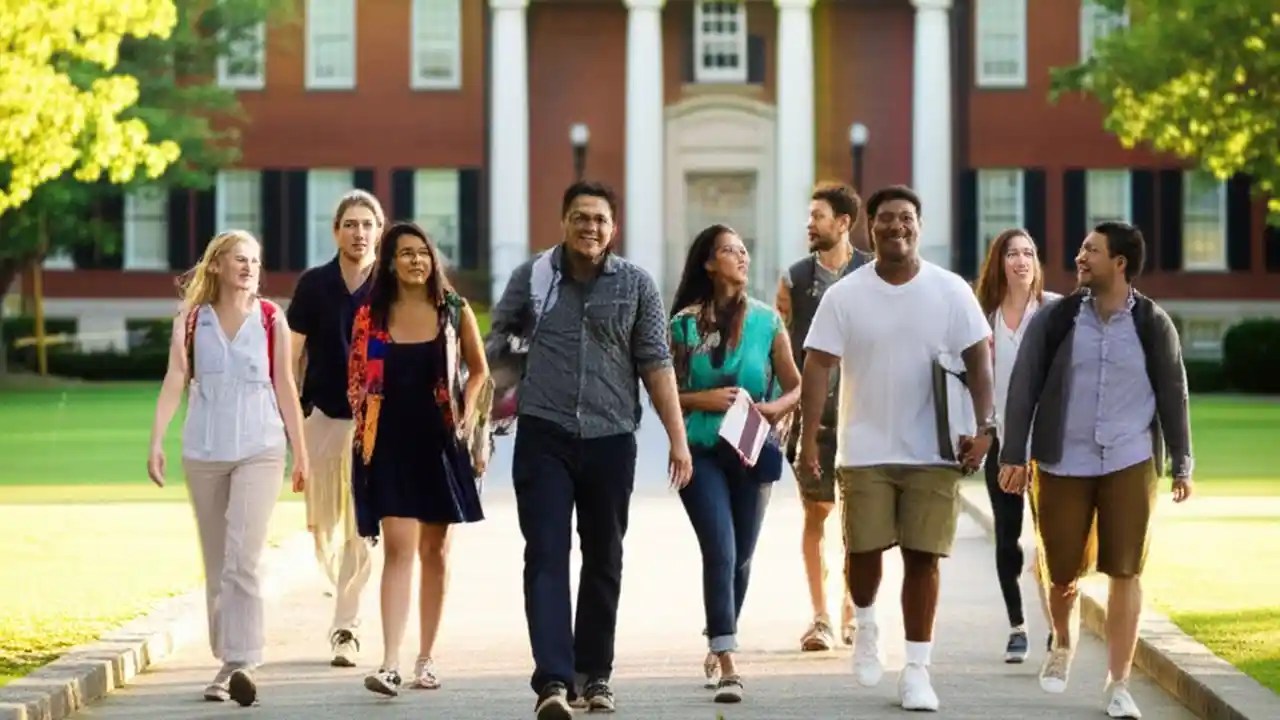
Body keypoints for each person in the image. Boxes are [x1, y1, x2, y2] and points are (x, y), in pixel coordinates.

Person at [488, 180, 693, 720]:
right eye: (580, 217)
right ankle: (553, 680)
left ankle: (594, 674)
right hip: (544, 434)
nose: (590, 228)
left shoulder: (636, 285)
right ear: (563, 221)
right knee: (547, 554)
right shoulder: (532, 278)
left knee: (604, 556)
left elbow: (655, 362)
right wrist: (480, 412)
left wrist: (677, 438)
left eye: (600, 219)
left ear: (613, 228)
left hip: (609, 438)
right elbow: (499, 350)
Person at [798, 185, 995, 712]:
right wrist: (807, 439)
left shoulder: (951, 290)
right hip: (863, 448)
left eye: (906, 218)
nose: (896, 227)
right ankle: (865, 625)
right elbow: (818, 364)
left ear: (919, 227)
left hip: (933, 448)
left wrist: (987, 427)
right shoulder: (845, 294)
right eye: (886, 219)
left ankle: (916, 670)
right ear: (870, 228)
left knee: (923, 559)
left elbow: (980, 359)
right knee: (862, 553)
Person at [998, 221, 1193, 719]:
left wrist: (1181, 461)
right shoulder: (1056, 320)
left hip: (1129, 458)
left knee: (1125, 568)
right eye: (1082, 248)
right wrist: (1013, 454)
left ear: (1120, 263)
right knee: (1060, 571)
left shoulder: (1153, 324)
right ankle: (1062, 641)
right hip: (1063, 459)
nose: (1080, 257)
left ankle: (1119, 683)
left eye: (1091, 250)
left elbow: (1173, 392)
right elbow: (1023, 388)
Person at [147, 230, 309, 706]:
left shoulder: (270, 318)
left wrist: (301, 452)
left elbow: (285, 385)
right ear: (216, 265)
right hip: (203, 451)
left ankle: (243, 660)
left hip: (260, 448)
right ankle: (227, 659)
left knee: (244, 557)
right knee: (218, 565)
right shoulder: (193, 319)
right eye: (240, 259)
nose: (249, 268)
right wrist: (156, 439)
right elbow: (176, 377)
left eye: (255, 261)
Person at [348, 221, 490, 696]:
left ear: (432, 260)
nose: (415, 261)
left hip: (439, 441)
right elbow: (357, 382)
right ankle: (389, 662)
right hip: (387, 443)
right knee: (398, 548)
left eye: (422, 253)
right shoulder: (371, 314)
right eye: (405, 253)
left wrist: (468, 417)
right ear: (390, 262)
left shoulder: (453, 310)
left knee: (435, 550)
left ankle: (426, 659)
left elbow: (478, 370)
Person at [669, 224, 801, 703]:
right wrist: (704, 399)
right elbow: (664, 390)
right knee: (720, 549)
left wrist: (773, 409)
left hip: (750, 448)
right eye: (730, 251)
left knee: (741, 557)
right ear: (708, 262)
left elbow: (795, 384)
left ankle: (718, 631)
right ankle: (726, 658)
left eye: (745, 250)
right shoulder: (682, 324)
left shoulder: (768, 322)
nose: (741, 258)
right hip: (699, 454)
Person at [286, 190, 381, 667]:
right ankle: (342, 605)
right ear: (336, 231)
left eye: (367, 224)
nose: (358, 233)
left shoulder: (390, 285)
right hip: (322, 418)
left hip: (376, 426)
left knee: (361, 530)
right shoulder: (314, 285)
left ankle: (346, 627)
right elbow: (290, 356)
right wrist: (292, 423)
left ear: (378, 232)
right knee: (325, 526)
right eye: (350, 224)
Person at [774, 182, 871, 651]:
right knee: (816, 514)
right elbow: (784, 349)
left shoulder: (873, 272)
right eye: (809, 216)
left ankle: (853, 610)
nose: (809, 224)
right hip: (815, 419)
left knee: (859, 521)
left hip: (866, 417)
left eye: (818, 216)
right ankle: (820, 617)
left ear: (844, 223)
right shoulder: (794, 279)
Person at [973, 228, 1060, 663]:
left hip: (1046, 449)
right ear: (1000, 262)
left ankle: (1056, 629)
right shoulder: (982, 318)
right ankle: (1017, 626)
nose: (1022, 261)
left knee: (1052, 540)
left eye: (1029, 252)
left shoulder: (1054, 312)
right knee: (1008, 539)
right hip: (1003, 448)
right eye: (1012, 254)